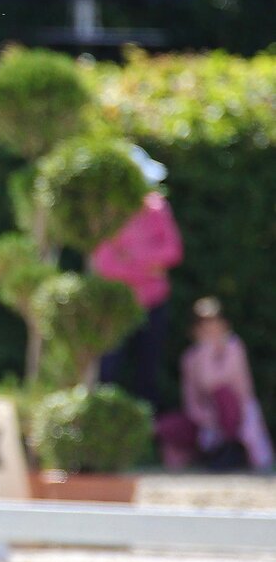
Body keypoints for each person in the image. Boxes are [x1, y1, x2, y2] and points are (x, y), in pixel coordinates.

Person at [92, 147, 183, 408]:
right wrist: (150, 265)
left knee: (148, 373)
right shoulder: (105, 214)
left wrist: (130, 257)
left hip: (154, 303)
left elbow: (173, 252)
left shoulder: (157, 207)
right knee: (107, 371)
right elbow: (105, 265)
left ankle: (149, 427)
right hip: (116, 306)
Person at [157, 299, 273, 473]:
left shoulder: (234, 348)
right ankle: (205, 453)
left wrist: (207, 350)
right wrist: (206, 418)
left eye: (213, 323)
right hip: (207, 420)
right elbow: (191, 401)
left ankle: (231, 449)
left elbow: (211, 384)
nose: (209, 329)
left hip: (236, 416)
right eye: (203, 325)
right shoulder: (189, 357)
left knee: (222, 394)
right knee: (166, 425)